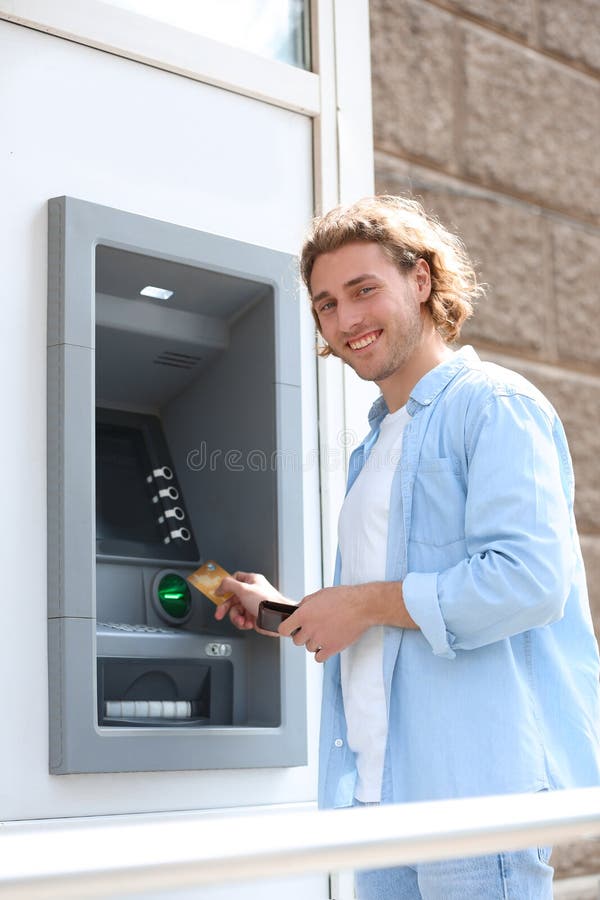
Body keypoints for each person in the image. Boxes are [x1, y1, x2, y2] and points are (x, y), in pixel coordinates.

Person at [216, 195, 600, 899]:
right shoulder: (376, 444)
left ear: (420, 280)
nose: (346, 320)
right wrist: (286, 609)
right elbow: (393, 616)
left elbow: (528, 580)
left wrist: (359, 605)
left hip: (473, 803)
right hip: (380, 793)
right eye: (327, 304)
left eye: (364, 290)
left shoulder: (492, 405)